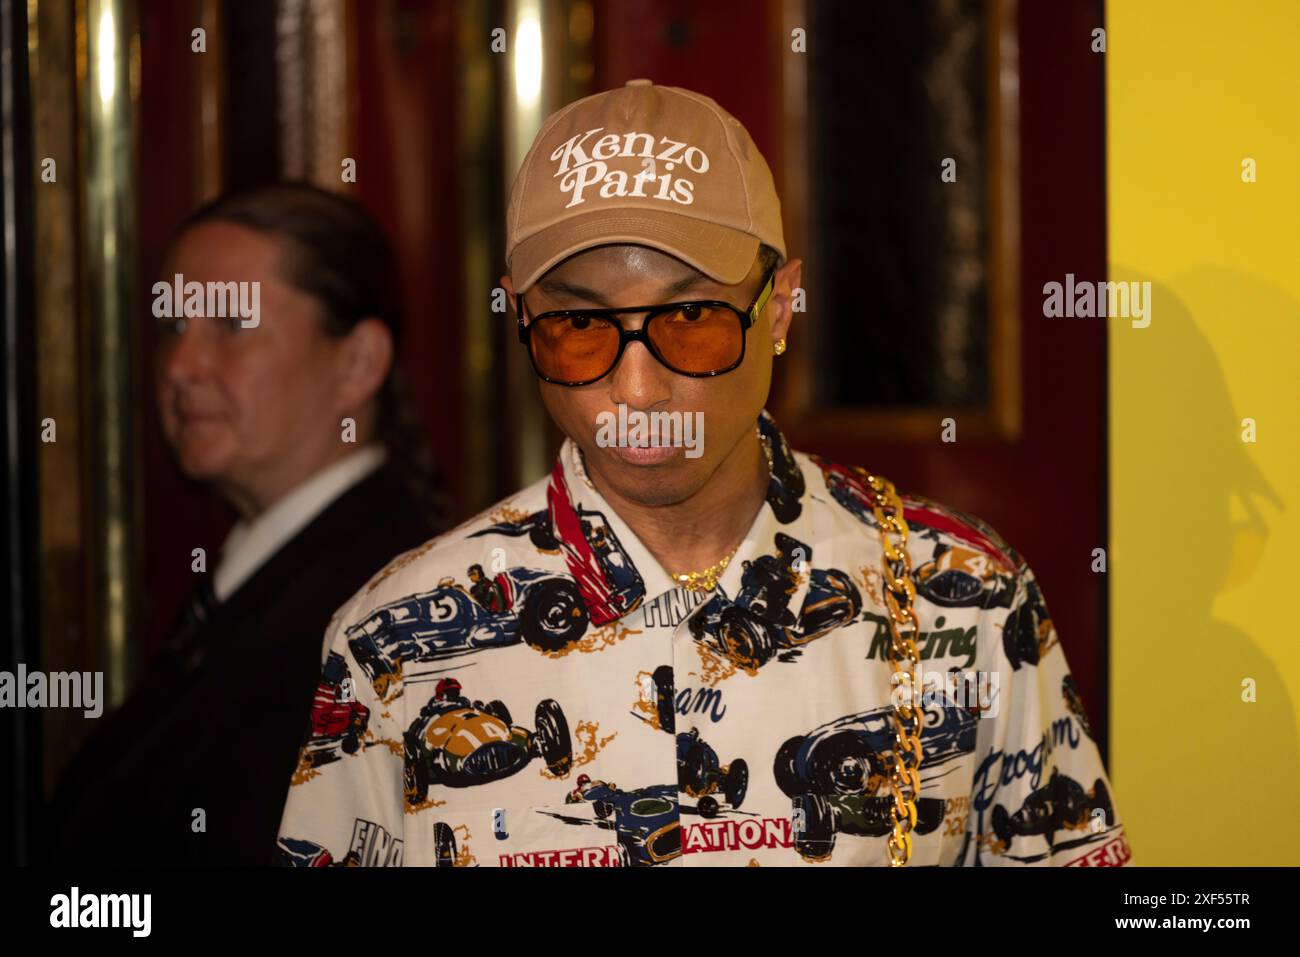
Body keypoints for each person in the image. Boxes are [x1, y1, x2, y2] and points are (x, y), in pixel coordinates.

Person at [276, 80, 1131, 867]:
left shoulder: (964, 597)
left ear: (780, 306)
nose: (636, 389)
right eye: (579, 325)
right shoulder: (389, 645)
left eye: (690, 316)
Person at [48, 183, 445, 866]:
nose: (181, 367)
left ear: (357, 362)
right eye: (173, 327)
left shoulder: (375, 609)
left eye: (231, 324)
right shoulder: (261, 576)